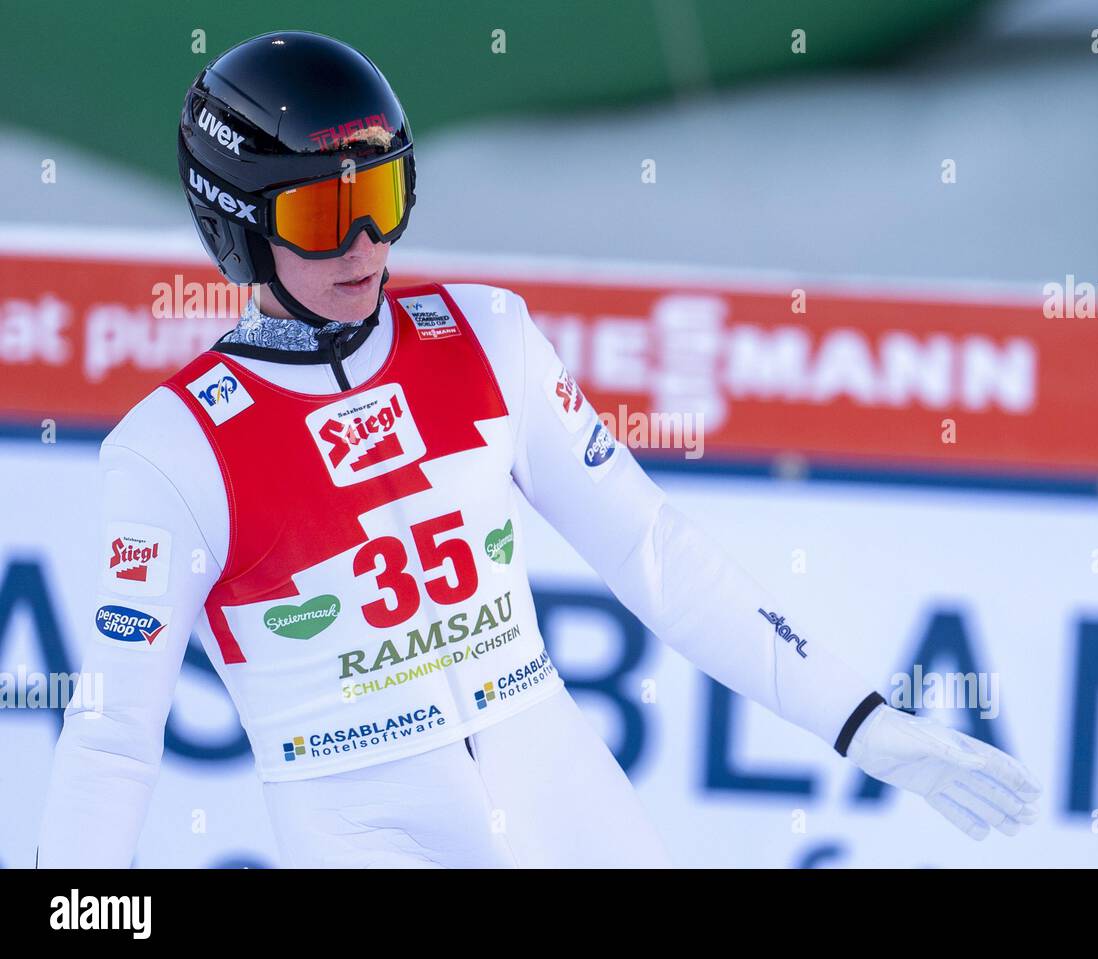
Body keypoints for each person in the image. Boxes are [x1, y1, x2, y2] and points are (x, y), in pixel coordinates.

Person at [37, 31, 1040, 868]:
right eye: (322, 215)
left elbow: (656, 556)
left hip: (558, 785)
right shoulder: (173, 450)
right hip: (365, 821)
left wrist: (861, 720)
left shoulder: (487, 338)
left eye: (385, 195)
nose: (367, 246)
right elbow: (114, 733)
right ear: (238, 230)